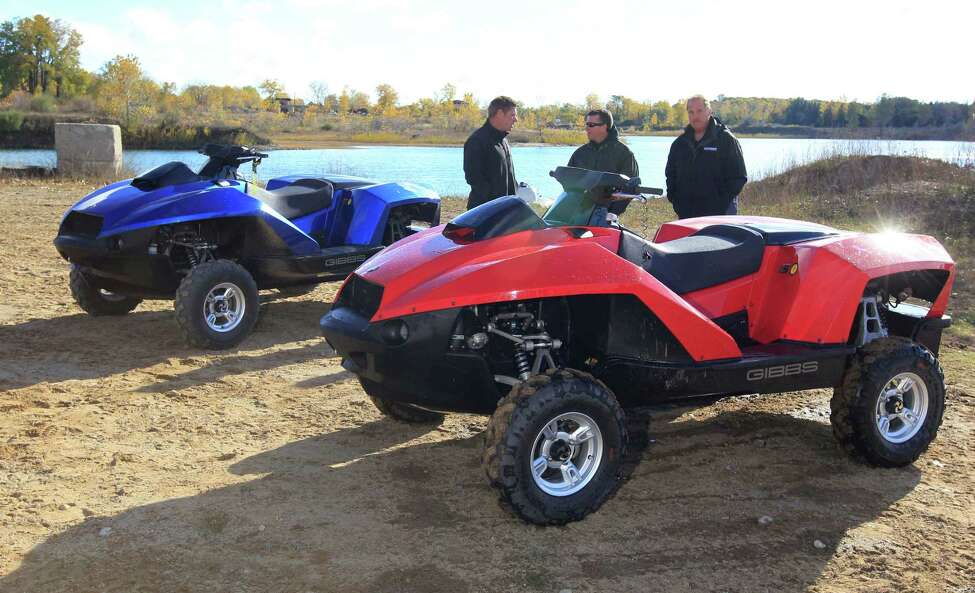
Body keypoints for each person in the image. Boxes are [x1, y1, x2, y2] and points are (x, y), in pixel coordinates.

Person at [664, 95, 747, 219]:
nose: (695, 116)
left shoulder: (726, 140)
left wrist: (719, 204)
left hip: (720, 217)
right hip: (687, 217)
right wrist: (676, 201)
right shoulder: (679, 144)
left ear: (709, 111)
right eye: (691, 112)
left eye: (699, 111)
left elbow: (738, 177)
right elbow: (670, 175)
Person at [567, 109, 639, 216]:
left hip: (606, 217)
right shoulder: (579, 153)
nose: (587, 128)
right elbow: (569, 183)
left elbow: (630, 189)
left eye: (591, 125)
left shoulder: (624, 153)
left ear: (605, 126)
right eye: (586, 124)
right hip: (578, 214)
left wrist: (610, 213)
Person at [463, 96, 519, 210]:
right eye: (512, 115)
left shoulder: (503, 140)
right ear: (499, 114)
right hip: (485, 213)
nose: (516, 119)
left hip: (505, 211)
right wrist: (495, 203)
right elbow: (473, 178)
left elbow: (507, 177)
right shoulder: (477, 140)